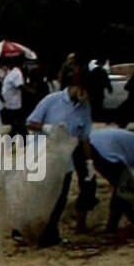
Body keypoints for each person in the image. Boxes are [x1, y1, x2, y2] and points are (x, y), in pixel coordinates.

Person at [27, 63, 94, 246]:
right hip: (42, 155)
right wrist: (47, 128)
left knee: (60, 198)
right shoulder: (52, 100)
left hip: (65, 160)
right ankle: (27, 231)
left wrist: (89, 162)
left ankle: (51, 234)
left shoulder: (84, 108)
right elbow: (31, 122)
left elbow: (84, 137)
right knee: (38, 196)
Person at [88, 128, 134, 233]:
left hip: (87, 142)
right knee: (124, 191)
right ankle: (112, 226)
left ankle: (81, 226)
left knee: (90, 185)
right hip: (104, 152)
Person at [0, 57, 28, 136]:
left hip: (14, 105)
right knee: (12, 125)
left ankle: (24, 140)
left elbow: (19, 85)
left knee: (17, 124)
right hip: (9, 104)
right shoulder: (11, 72)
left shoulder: (16, 72)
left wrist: (29, 90)